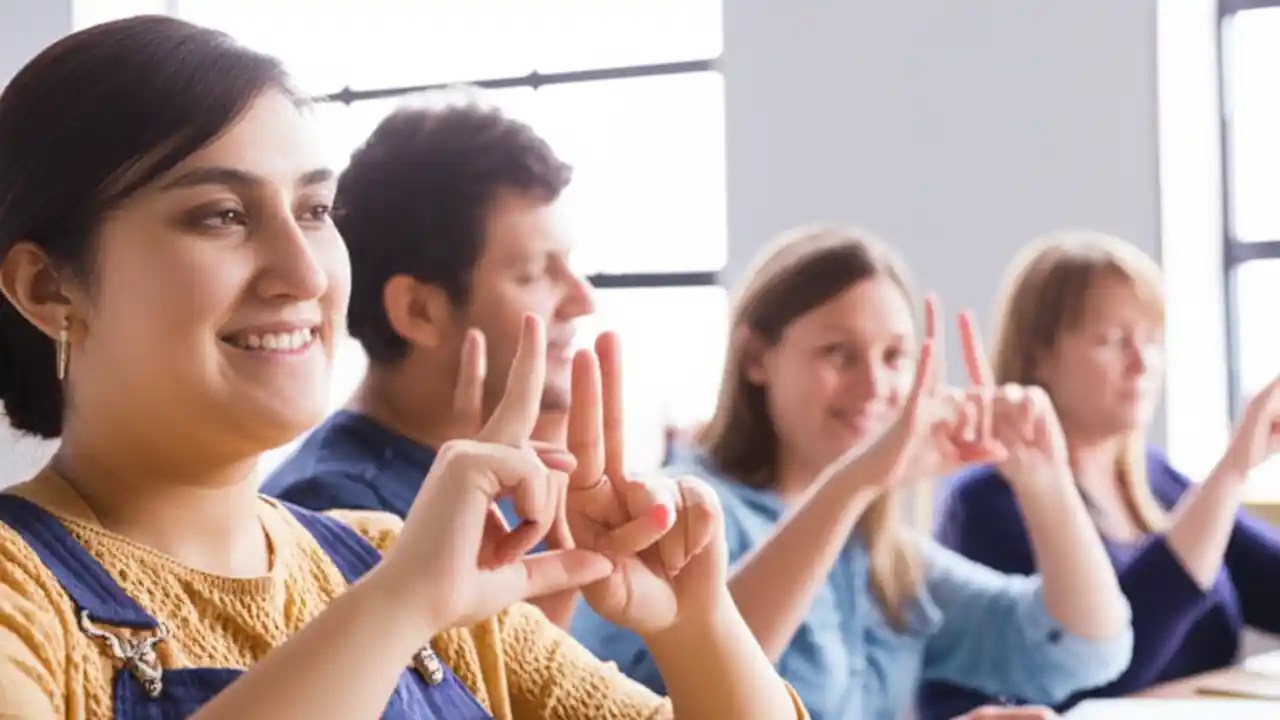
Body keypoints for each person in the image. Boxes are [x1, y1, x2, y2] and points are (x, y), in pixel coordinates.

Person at [0, 16, 808, 719]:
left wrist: (694, 624)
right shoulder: (20, 596)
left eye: (315, 211)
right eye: (222, 216)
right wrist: (398, 609)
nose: (308, 274)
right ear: (47, 286)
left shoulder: (392, 555)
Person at [569, 225, 1134, 720]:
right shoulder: (680, 510)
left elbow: (1085, 650)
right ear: (757, 359)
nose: (874, 388)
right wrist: (852, 483)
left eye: (894, 357)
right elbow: (656, 703)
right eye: (839, 354)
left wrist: (1045, 482)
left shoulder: (880, 554)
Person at [920, 231, 1280, 718]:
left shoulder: (1158, 481)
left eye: (1151, 341)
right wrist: (1233, 469)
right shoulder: (987, 502)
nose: (1141, 364)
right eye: (1112, 341)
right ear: (1039, 355)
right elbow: (1106, 670)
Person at [260, 102, 590, 625]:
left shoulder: (509, 477)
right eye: (532, 274)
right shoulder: (336, 512)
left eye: (570, 267)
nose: (581, 301)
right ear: (419, 310)